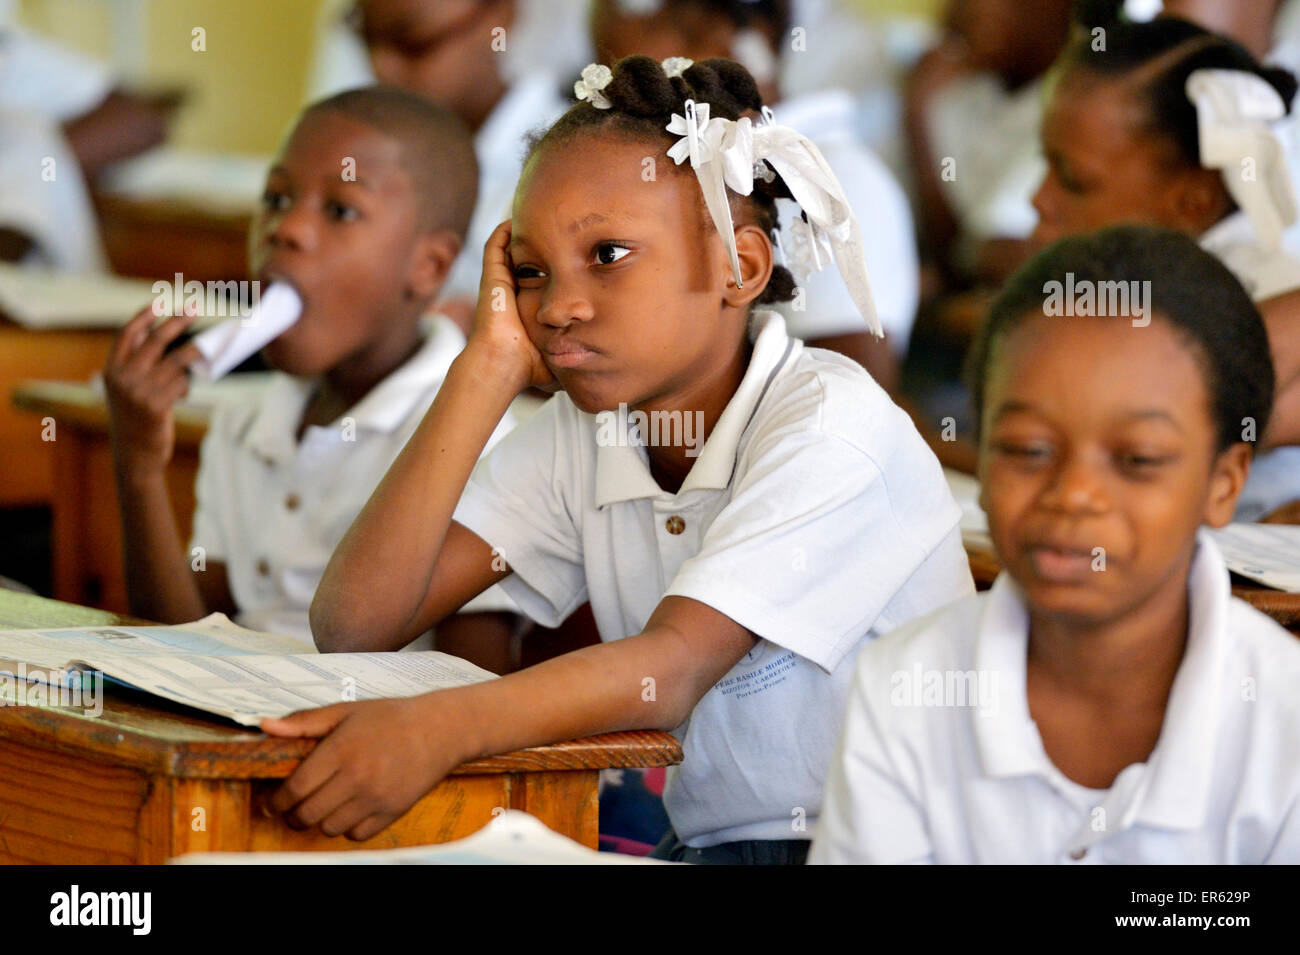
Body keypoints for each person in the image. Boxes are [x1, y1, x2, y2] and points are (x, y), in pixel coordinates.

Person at [264, 56, 973, 862]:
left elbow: (670, 667)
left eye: (607, 255)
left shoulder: (830, 427)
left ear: (738, 267)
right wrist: (487, 367)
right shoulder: (588, 433)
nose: (559, 306)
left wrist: (440, 728)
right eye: (530, 272)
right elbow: (357, 624)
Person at [811, 225, 1300, 864]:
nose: (1073, 494)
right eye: (1026, 450)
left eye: (1138, 459)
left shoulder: (1283, 713)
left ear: (1223, 482)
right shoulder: (906, 686)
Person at [104, 87, 516, 647]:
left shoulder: (482, 441)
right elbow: (184, 639)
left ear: (428, 266)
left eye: (341, 210)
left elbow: (475, 683)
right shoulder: (247, 422)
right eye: (275, 199)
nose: (286, 230)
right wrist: (138, 470)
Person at [1031, 14, 1300, 519]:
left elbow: (1102, 469)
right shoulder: (1123, 286)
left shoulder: (1256, 297)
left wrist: (923, 443)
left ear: (1194, 201)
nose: (1038, 199)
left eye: (1073, 180)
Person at [590, 0, 918, 393]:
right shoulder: (686, 168)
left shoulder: (835, 179)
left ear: (725, 40)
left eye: (630, 65)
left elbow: (849, 398)